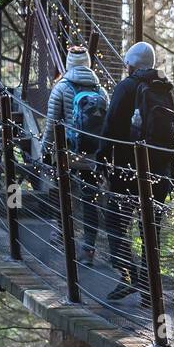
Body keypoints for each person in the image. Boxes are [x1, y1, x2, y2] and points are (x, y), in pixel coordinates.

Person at [99, 42, 174, 303]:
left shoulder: (126, 87)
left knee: (114, 222)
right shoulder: (165, 88)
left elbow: (110, 126)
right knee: (149, 230)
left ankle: (128, 275)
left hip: (127, 170)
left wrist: (102, 158)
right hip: (160, 171)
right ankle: (147, 289)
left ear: (130, 64)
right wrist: (172, 171)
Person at [45, 45, 107, 264]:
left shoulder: (61, 87)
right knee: (90, 199)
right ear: (88, 63)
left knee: (62, 192)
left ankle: (62, 235)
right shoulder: (100, 90)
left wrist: (45, 148)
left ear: (69, 63)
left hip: (67, 153)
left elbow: (52, 123)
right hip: (92, 155)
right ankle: (89, 248)